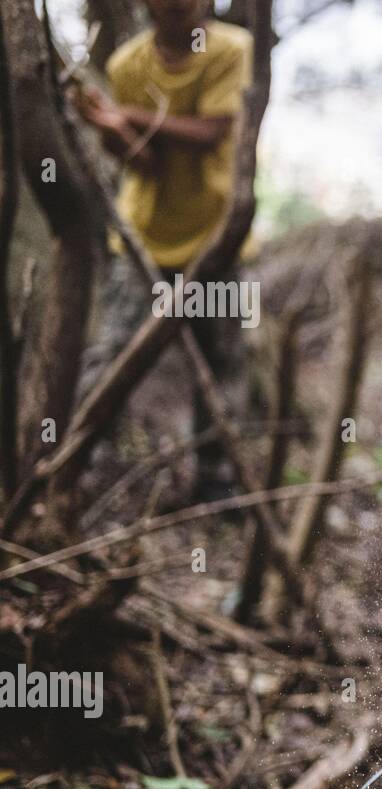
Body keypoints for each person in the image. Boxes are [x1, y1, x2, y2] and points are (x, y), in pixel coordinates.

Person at [75, 0, 252, 500]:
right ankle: (77, 463)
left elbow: (211, 131)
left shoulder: (231, 50)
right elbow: (144, 163)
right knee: (113, 353)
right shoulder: (126, 65)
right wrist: (108, 129)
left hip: (217, 242)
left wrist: (125, 113)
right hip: (144, 240)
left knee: (221, 360)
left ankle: (216, 481)